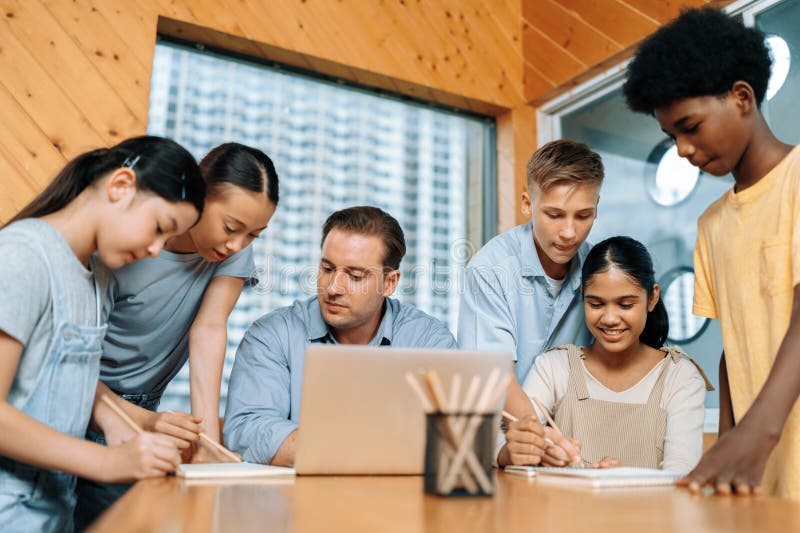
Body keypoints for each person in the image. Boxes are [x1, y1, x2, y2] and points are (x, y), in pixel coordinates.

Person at [623, 7, 800, 497]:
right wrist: (725, 445)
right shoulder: (712, 225)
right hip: (762, 476)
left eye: (691, 126)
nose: (682, 149)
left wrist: (756, 435)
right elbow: (734, 346)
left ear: (741, 97)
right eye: (672, 136)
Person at [0, 136, 205, 532]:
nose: (155, 250)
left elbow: (61, 370)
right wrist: (106, 461)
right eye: (159, 228)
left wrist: (115, 420)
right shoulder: (21, 256)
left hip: (53, 512)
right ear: (121, 186)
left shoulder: (101, 277)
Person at [74, 143, 279, 527]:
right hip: (85, 395)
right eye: (231, 227)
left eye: (254, 235)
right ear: (198, 192)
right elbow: (71, 359)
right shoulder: (128, 242)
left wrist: (208, 443)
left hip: (141, 412)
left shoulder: (232, 253)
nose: (237, 245)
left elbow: (209, 329)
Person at [224, 206, 457, 465]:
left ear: (389, 283)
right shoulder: (271, 335)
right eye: (327, 269)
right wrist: (376, 447)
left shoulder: (429, 342)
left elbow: (453, 438)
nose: (333, 288)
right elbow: (247, 430)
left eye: (355, 276)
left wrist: (323, 447)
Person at [458, 139, 604, 466]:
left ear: (597, 206)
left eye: (583, 215)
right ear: (527, 204)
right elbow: (496, 375)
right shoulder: (489, 269)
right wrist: (538, 435)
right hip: (500, 437)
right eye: (554, 214)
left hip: (572, 440)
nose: (569, 232)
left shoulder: (598, 267)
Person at [507, 237, 710, 471]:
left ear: (652, 297)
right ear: (583, 295)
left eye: (625, 305)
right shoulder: (555, 367)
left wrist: (621, 481)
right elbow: (504, 443)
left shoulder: (680, 376)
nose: (610, 319)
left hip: (649, 498)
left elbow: (682, 472)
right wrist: (526, 449)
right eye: (596, 304)